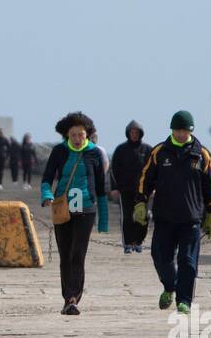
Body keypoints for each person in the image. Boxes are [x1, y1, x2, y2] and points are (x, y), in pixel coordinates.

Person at [134, 110, 211, 314]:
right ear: (172, 129)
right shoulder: (159, 152)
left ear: (191, 131)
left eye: (185, 130)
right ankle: (169, 286)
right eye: (177, 130)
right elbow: (144, 179)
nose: (181, 134)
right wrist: (140, 203)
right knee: (160, 257)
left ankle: (184, 301)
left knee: (188, 262)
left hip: (191, 219)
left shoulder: (201, 154)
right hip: (164, 217)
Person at [40, 112, 110, 315]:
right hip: (63, 208)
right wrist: (47, 195)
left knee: (78, 254)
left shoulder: (95, 153)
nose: (78, 139)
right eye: (74, 135)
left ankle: (72, 299)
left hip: (86, 208)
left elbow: (100, 188)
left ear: (87, 134)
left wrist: (103, 220)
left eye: (81, 134)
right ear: (67, 136)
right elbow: (47, 178)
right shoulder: (59, 151)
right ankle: (67, 297)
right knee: (65, 255)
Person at [110, 121, 148, 253]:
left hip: (143, 191)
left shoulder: (147, 149)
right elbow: (113, 169)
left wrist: (154, 188)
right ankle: (128, 243)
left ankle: (138, 242)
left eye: (137, 132)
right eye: (132, 132)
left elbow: (154, 170)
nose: (134, 135)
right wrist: (114, 188)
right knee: (127, 217)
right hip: (125, 190)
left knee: (142, 217)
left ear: (140, 134)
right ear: (128, 133)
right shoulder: (121, 149)